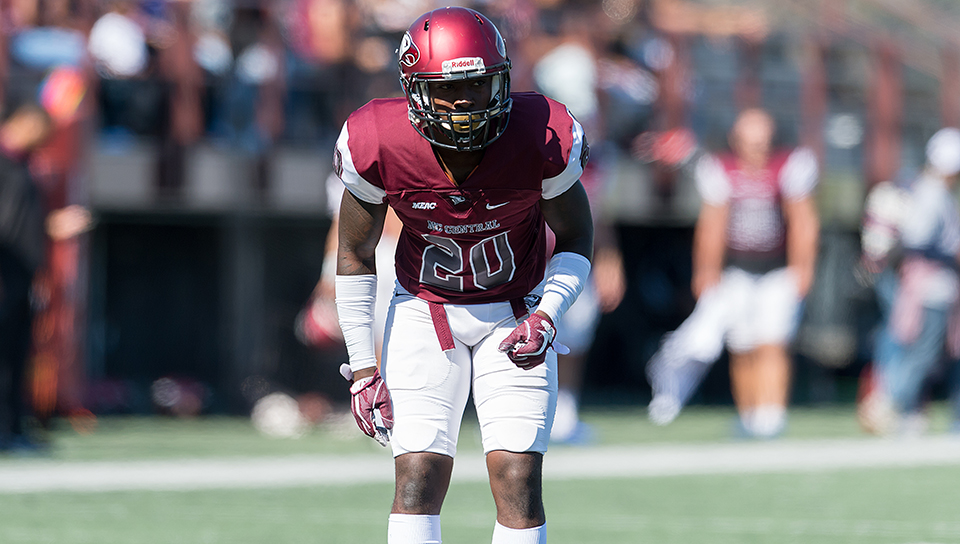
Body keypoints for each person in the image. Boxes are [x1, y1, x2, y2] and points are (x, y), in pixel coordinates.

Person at [333, 7, 594, 543]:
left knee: (518, 477)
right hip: (424, 311)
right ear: (413, 88)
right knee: (418, 475)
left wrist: (549, 312)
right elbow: (355, 253)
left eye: (478, 86)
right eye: (448, 89)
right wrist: (363, 368)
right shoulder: (378, 139)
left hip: (516, 313)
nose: (463, 102)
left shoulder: (540, 134)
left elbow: (575, 238)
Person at [646, 108, 819, 438]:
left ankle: (772, 415)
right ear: (736, 142)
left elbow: (802, 221)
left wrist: (803, 268)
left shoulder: (788, 166)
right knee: (742, 344)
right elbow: (712, 224)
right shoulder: (721, 169)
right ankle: (749, 414)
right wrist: (706, 271)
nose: (759, 149)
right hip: (737, 270)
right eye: (752, 142)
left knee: (773, 341)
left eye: (764, 142)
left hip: (778, 269)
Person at [858, 128, 960, 436]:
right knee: (923, 350)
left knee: (920, 348)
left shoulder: (921, 188)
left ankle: (906, 409)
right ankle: (889, 403)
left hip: (926, 281)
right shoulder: (931, 193)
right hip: (931, 283)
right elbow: (920, 239)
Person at [0, 103, 53, 452]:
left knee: (17, 356)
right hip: (4, 274)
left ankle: (14, 427)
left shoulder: (22, 163)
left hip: (19, 277)